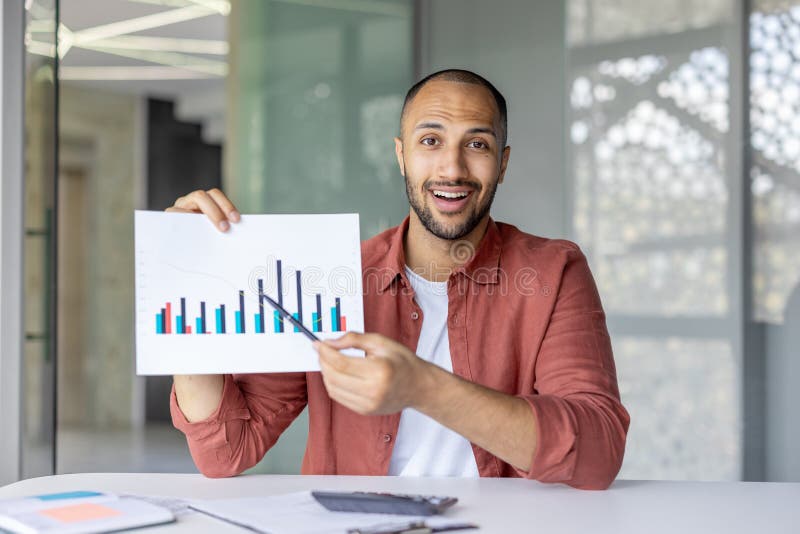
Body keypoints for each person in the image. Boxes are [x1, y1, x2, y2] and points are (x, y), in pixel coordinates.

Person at [167, 69, 630, 490]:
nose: (452, 168)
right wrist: (184, 285)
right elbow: (226, 451)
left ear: (502, 164)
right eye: (431, 141)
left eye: (477, 144)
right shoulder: (332, 277)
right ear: (401, 155)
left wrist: (424, 388)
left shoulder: (553, 272)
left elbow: (597, 450)